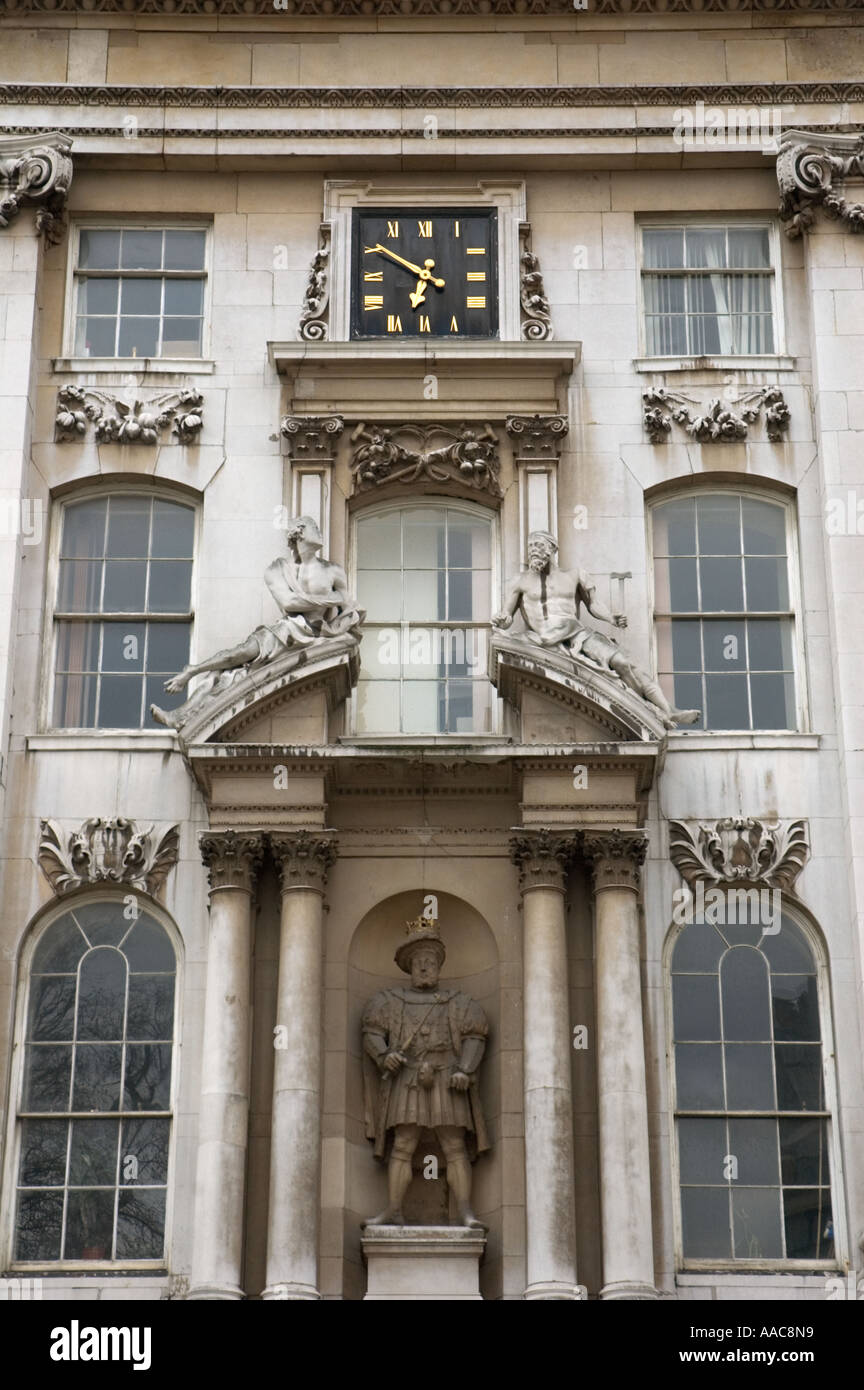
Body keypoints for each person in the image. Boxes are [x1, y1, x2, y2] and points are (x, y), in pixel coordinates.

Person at [149, 516, 364, 730]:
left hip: (317, 634)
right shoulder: (277, 569)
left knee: (231, 676)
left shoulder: (333, 571)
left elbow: (348, 609)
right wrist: (330, 599)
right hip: (289, 629)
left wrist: (344, 621)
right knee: (236, 658)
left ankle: (181, 709)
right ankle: (191, 674)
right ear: (299, 533)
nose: (319, 531)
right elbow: (289, 603)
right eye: (313, 527)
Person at [492, 529, 699, 730]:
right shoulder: (519, 581)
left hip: (575, 633)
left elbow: (593, 604)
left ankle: (667, 710)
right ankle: (653, 709)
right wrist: (503, 620)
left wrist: (611, 618)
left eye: (538, 545)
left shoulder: (575, 575)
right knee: (621, 665)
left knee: (623, 663)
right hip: (542, 638)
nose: (533, 550)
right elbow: (508, 615)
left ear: (552, 548)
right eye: (530, 546)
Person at [362, 916, 489, 1229]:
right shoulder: (389, 1002)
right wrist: (384, 1055)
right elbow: (371, 1032)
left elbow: (475, 1036)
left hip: (448, 1075)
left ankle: (464, 1212)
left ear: (439, 965)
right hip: (408, 1077)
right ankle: (393, 1209)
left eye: (430, 960)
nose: (424, 966)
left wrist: (465, 1069)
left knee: (454, 1146)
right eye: (418, 960)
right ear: (408, 966)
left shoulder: (460, 1003)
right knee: (403, 1143)